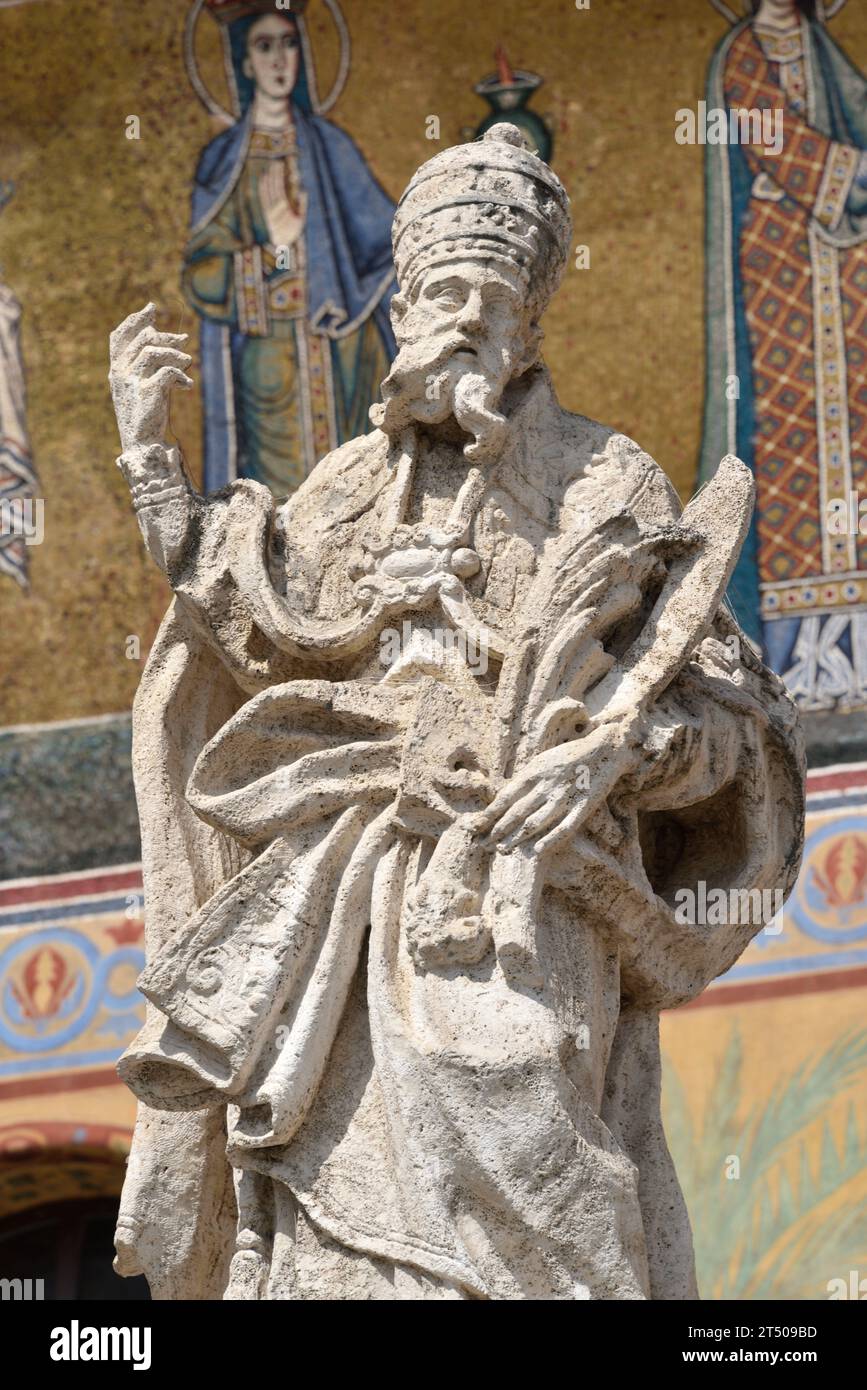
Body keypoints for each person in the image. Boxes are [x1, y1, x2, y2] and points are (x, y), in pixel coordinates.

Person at [108, 125, 804, 1300]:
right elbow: (249, 624)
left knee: (531, 1111)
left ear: (531, 320)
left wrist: (623, 753)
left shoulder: (604, 478)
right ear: (398, 313)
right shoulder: (340, 492)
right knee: (330, 1198)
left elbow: (729, 724)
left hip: (524, 895)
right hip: (349, 889)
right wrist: (147, 462)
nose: (464, 319)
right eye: (440, 293)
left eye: (491, 297)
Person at [699, 0, 867, 709]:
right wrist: (851, 177)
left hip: (850, 267)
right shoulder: (742, 55)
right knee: (791, 452)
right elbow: (778, 145)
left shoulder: (829, 53)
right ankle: (798, 663)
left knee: (855, 445)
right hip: (780, 268)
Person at [183, 1, 397, 496]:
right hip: (270, 367)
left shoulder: (330, 147)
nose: (279, 59)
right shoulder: (223, 162)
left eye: (289, 43)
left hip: (348, 354)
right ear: (244, 62)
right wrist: (275, 250)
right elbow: (200, 275)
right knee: (280, 514)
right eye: (264, 46)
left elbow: (394, 243)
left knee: (363, 504)